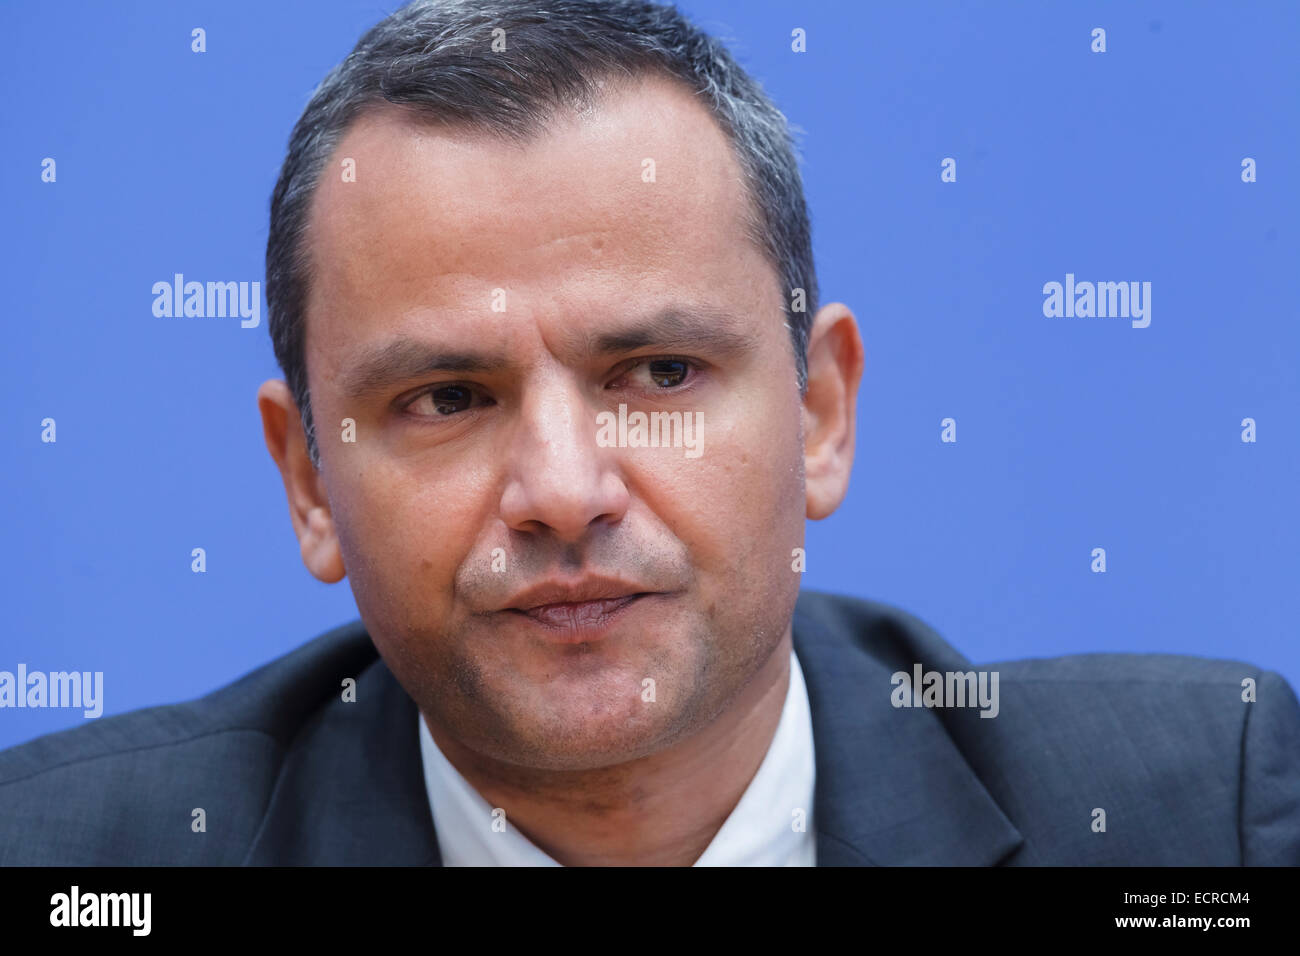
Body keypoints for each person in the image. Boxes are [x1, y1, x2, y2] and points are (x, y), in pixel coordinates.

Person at [2, 0, 1297, 866]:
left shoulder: (1192, 818)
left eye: (661, 370)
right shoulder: (72, 859)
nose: (563, 493)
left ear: (820, 411)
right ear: (309, 483)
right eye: (448, 398)